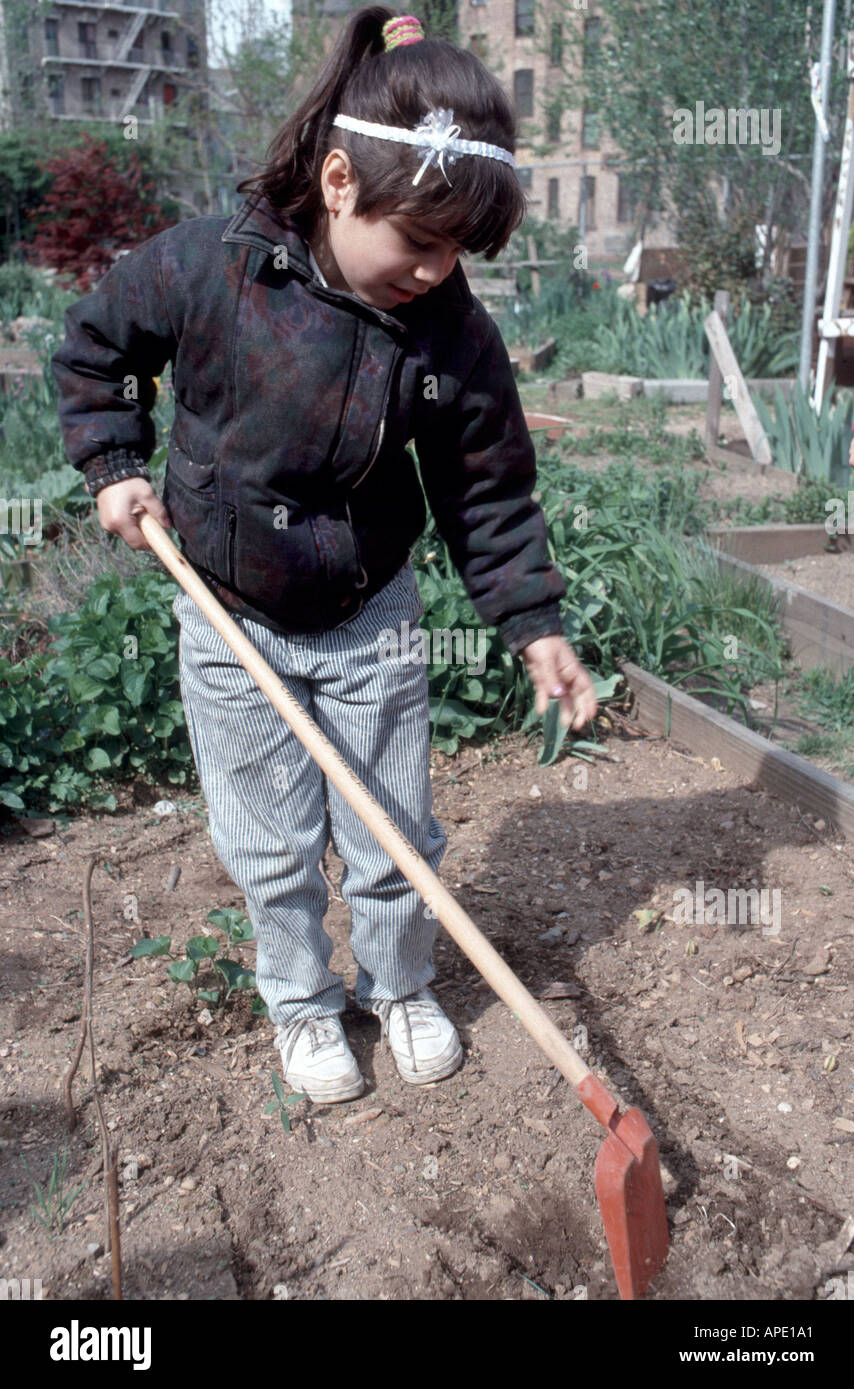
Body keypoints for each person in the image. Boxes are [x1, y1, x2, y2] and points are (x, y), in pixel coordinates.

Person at [51, 8, 598, 1104]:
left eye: (458, 254)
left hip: (369, 611)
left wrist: (533, 622)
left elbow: (486, 487)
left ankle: (398, 987)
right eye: (420, 244)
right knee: (269, 845)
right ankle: (303, 1005)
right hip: (225, 605)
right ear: (341, 182)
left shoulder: (449, 334)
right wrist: (114, 458)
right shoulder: (215, 267)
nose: (438, 272)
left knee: (393, 834)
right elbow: (99, 346)